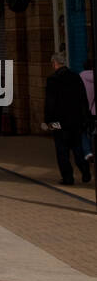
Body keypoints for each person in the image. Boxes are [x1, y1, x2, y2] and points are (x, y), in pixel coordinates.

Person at [43, 52, 92, 186]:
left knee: (61, 150)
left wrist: (48, 122)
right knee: (77, 147)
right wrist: (84, 119)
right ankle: (85, 170)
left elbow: (50, 103)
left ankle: (68, 177)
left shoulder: (52, 79)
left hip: (58, 122)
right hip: (75, 121)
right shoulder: (76, 77)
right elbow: (83, 100)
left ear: (54, 64)